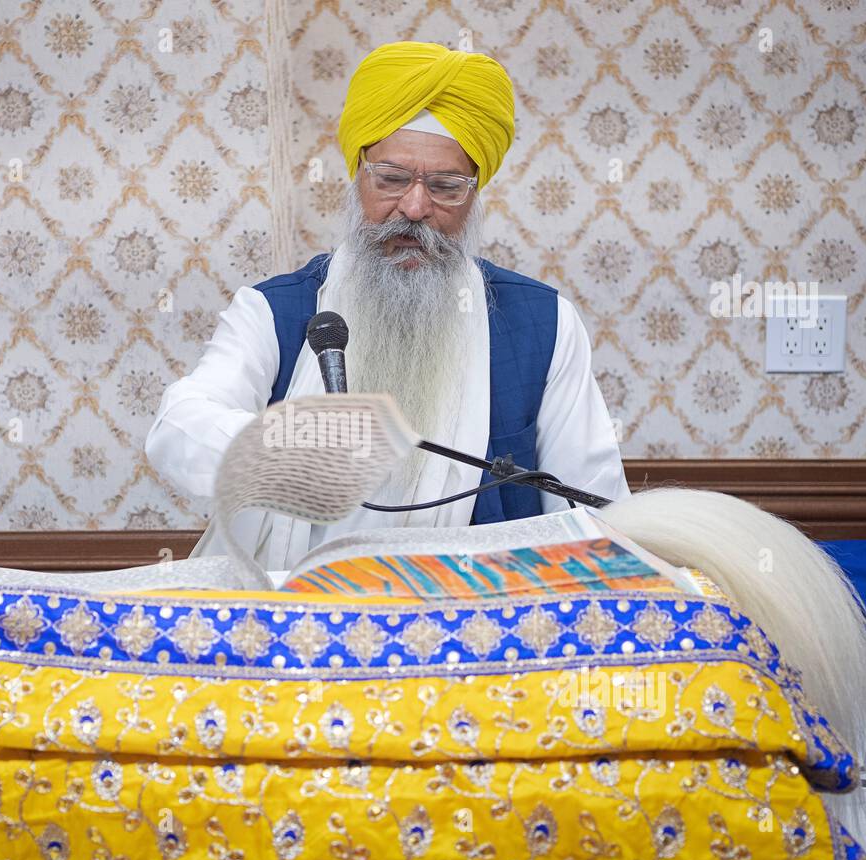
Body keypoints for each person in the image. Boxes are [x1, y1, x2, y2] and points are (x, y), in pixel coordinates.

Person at [146, 41, 629, 572]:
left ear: (474, 196)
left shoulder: (543, 323)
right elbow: (179, 426)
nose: (415, 207)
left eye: (445, 187)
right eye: (392, 179)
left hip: (469, 628)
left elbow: (592, 506)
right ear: (358, 176)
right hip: (294, 622)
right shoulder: (275, 310)